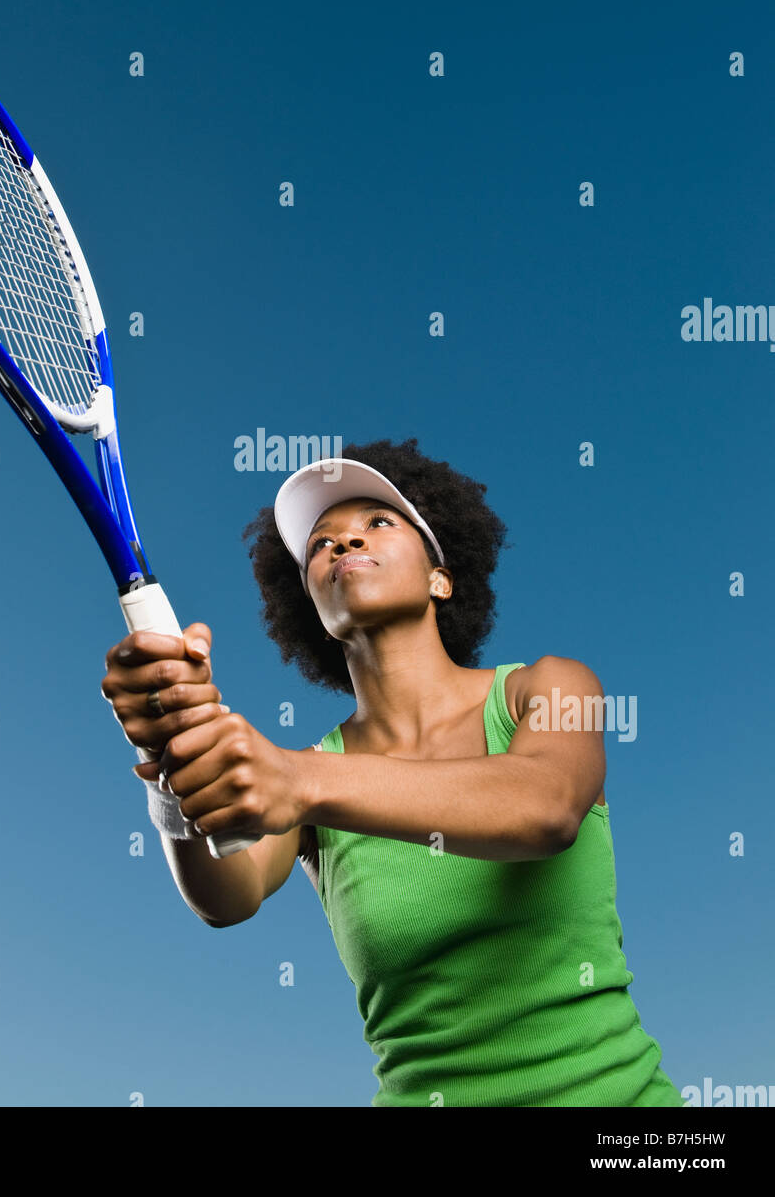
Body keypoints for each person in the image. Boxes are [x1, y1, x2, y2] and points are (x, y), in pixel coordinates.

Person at [101, 438, 685, 1107]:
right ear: (314, 613)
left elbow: (545, 806)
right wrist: (169, 765)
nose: (344, 543)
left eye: (378, 523)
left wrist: (298, 783)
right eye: (321, 545)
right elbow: (226, 899)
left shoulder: (550, 687)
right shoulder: (311, 772)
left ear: (441, 577)